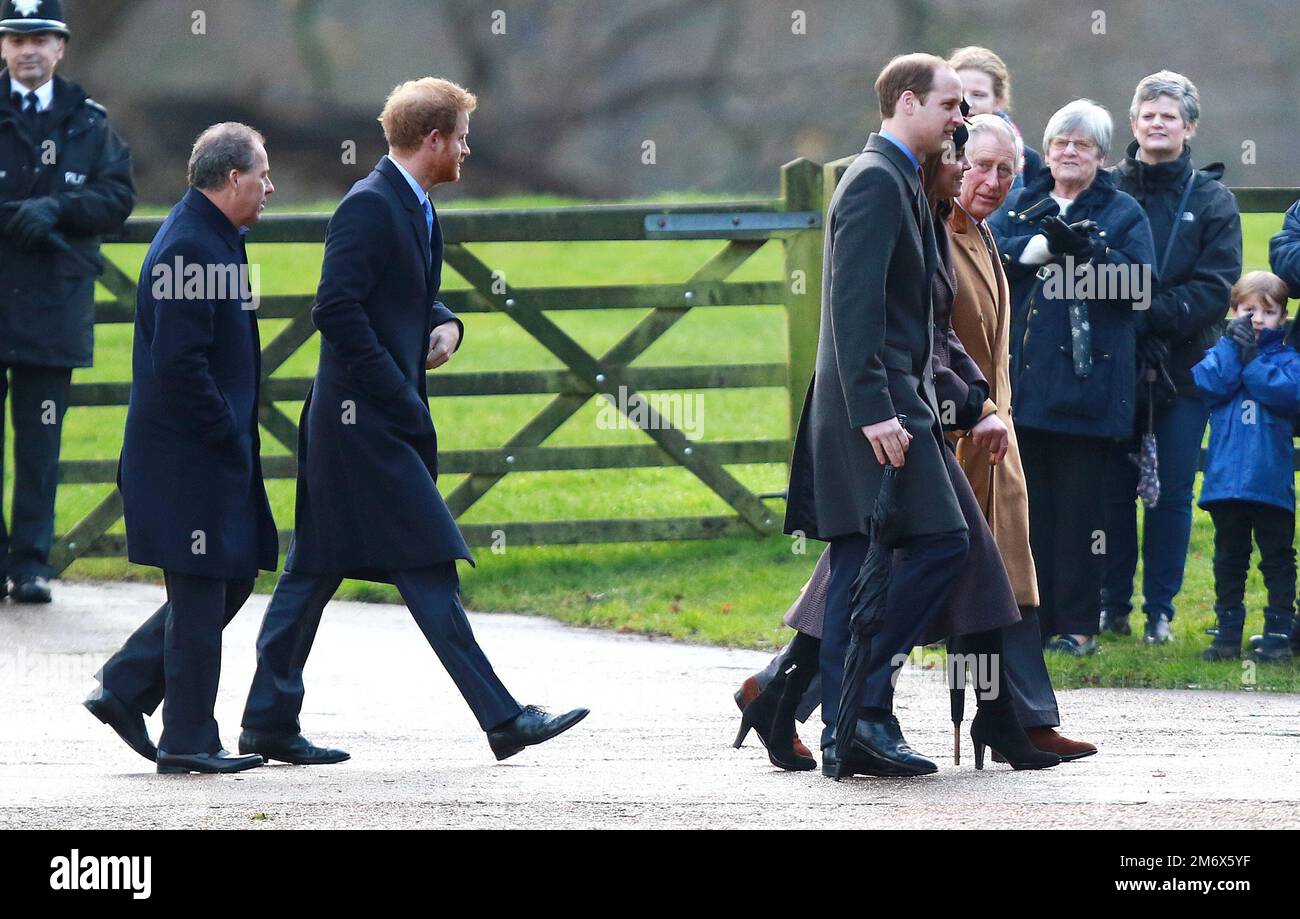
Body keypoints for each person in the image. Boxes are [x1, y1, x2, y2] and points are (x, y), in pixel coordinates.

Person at [238, 78, 587, 767]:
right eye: (461, 137)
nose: (467, 148)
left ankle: (267, 721)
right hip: (358, 427)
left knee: (314, 568)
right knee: (427, 560)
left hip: (372, 422)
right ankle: (503, 717)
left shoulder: (416, 205)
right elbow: (336, 308)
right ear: (433, 141)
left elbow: (408, 294)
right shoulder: (369, 206)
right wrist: (397, 394)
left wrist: (446, 321)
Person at [741, 116, 1092, 770]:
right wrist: (963, 405)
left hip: (964, 427)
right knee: (903, 573)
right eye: (977, 165)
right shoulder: (918, 214)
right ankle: (840, 706)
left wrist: (983, 404)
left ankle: (996, 718)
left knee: (972, 574)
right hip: (923, 428)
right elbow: (895, 332)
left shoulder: (977, 233)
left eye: (1006, 172)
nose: (986, 180)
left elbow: (944, 333)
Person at [784, 53, 973, 779]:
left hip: (896, 405)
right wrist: (875, 413)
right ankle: (856, 708)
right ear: (905, 102)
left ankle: (850, 721)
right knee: (938, 544)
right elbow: (851, 314)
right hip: (877, 412)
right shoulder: (872, 182)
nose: (959, 119)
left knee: (870, 564)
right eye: (950, 105)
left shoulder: (901, 182)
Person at [85, 123, 276, 775]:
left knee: (231, 575)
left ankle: (125, 682)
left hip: (199, 454)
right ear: (231, 179)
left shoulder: (212, 236)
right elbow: (180, 360)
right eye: (262, 175)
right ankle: (189, 737)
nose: (270, 187)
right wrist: (225, 431)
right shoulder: (193, 247)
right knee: (202, 589)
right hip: (186, 458)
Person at [988, 99, 1155, 656]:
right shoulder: (1019, 205)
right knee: (1026, 510)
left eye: (1082, 145)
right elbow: (982, 264)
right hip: (1024, 382)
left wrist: (1093, 253)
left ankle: (1078, 627)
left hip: (1090, 387)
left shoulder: (1122, 210)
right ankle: (1030, 620)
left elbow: (1139, 290)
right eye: (1060, 141)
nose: (1068, 152)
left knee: (1083, 516)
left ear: (1101, 156)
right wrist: (1033, 249)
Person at [1100, 71, 1242, 645]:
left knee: (1174, 491)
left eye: (1169, 115)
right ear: (1133, 123)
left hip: (1186, 366)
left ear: (1190, 127)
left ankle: (1160, 609)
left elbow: (1217, 284)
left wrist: (1157, 315)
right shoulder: (1104, 190)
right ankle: (1112, 607)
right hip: (1113, 366)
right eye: (1148, 114)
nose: (1158, 123)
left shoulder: (1214, 200)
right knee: (1110, 489)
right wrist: (1135, 319)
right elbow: (1090, 268)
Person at [0, 0, 134, 604]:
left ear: (62, 48)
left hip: (53, 309)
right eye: (16, 38)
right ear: (3, 48)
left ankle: (31, 565)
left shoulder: (90, 123)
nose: (28, 49)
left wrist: (58, 209)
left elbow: (117, 196)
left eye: (41, 38)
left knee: (40, 446)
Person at [1192, 273, 1300, 664]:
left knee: (1277, 559)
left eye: (1268, 312)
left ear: (1283, 317)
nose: (1257, 319)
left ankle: (1278, 634)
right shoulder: (1220, 353)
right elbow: (1209, 384)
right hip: (1226, 484)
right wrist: (1233, 351)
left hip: (1270, 483)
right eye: (1248, 310)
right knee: (1229, 559)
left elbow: (1287, 395)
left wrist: (1252, 361)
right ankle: (1227, 633)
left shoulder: (1288, 360)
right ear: (1233, 312)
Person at [947, 46, 1041, 189]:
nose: (966, 103)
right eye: (959, 93)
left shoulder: (1028, 160)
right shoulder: (930, 149)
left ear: (998, 101)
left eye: (978, 95)